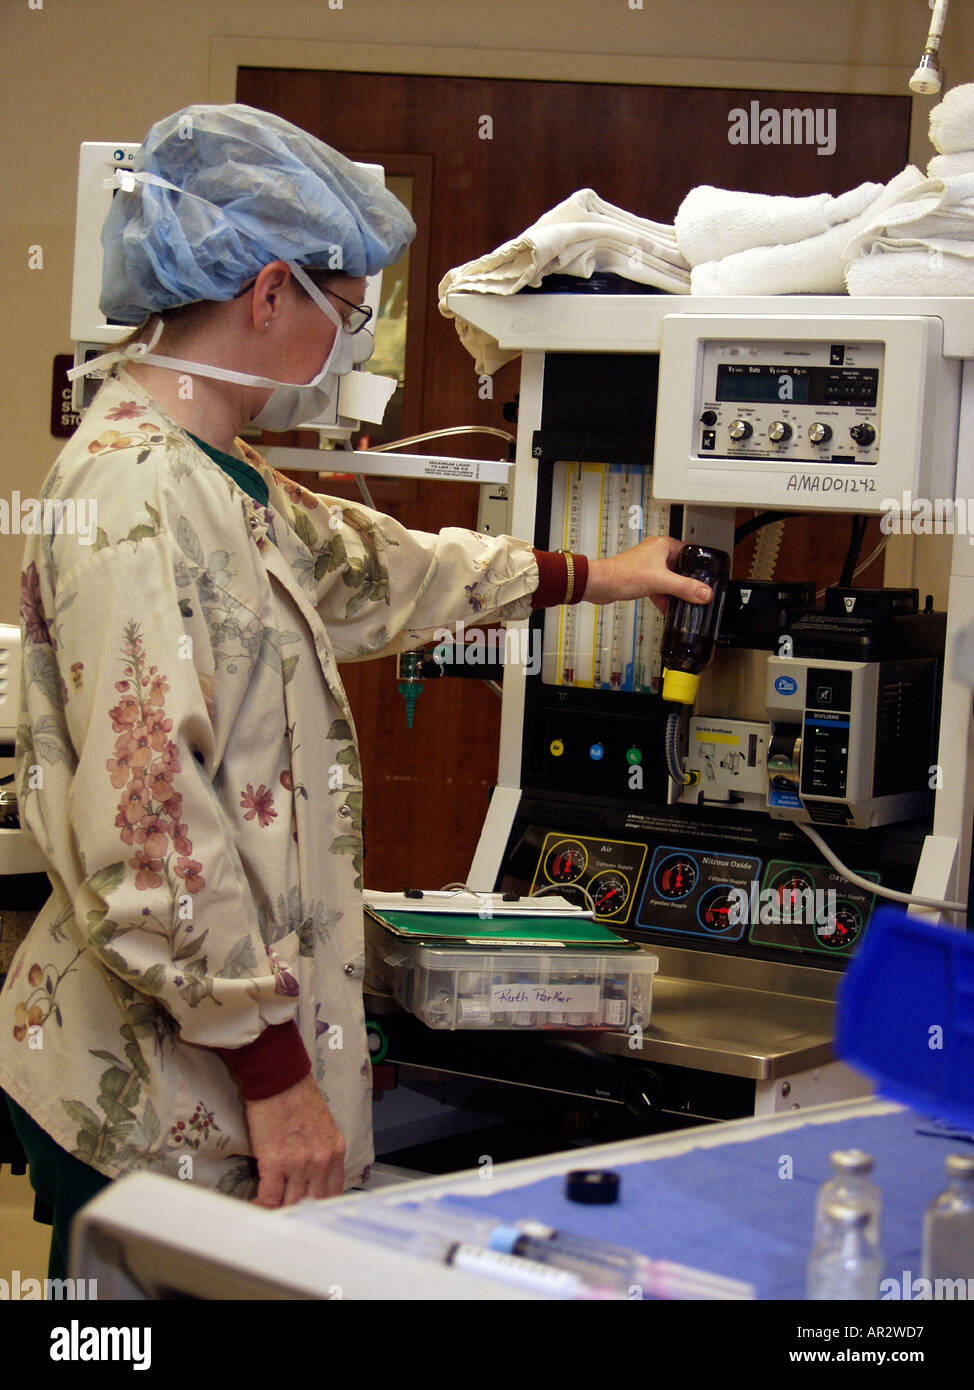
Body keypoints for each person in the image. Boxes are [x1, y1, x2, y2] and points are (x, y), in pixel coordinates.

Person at [0, 104, 712, 1277]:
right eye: (350, 315)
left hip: (212, 1062)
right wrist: (276, 1080)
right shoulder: (134, 498)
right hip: (152, 1093)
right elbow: (152, 835)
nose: (350, 347)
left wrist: (595, 573)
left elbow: (376, 568)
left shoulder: (220, 478)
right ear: (270, 292)